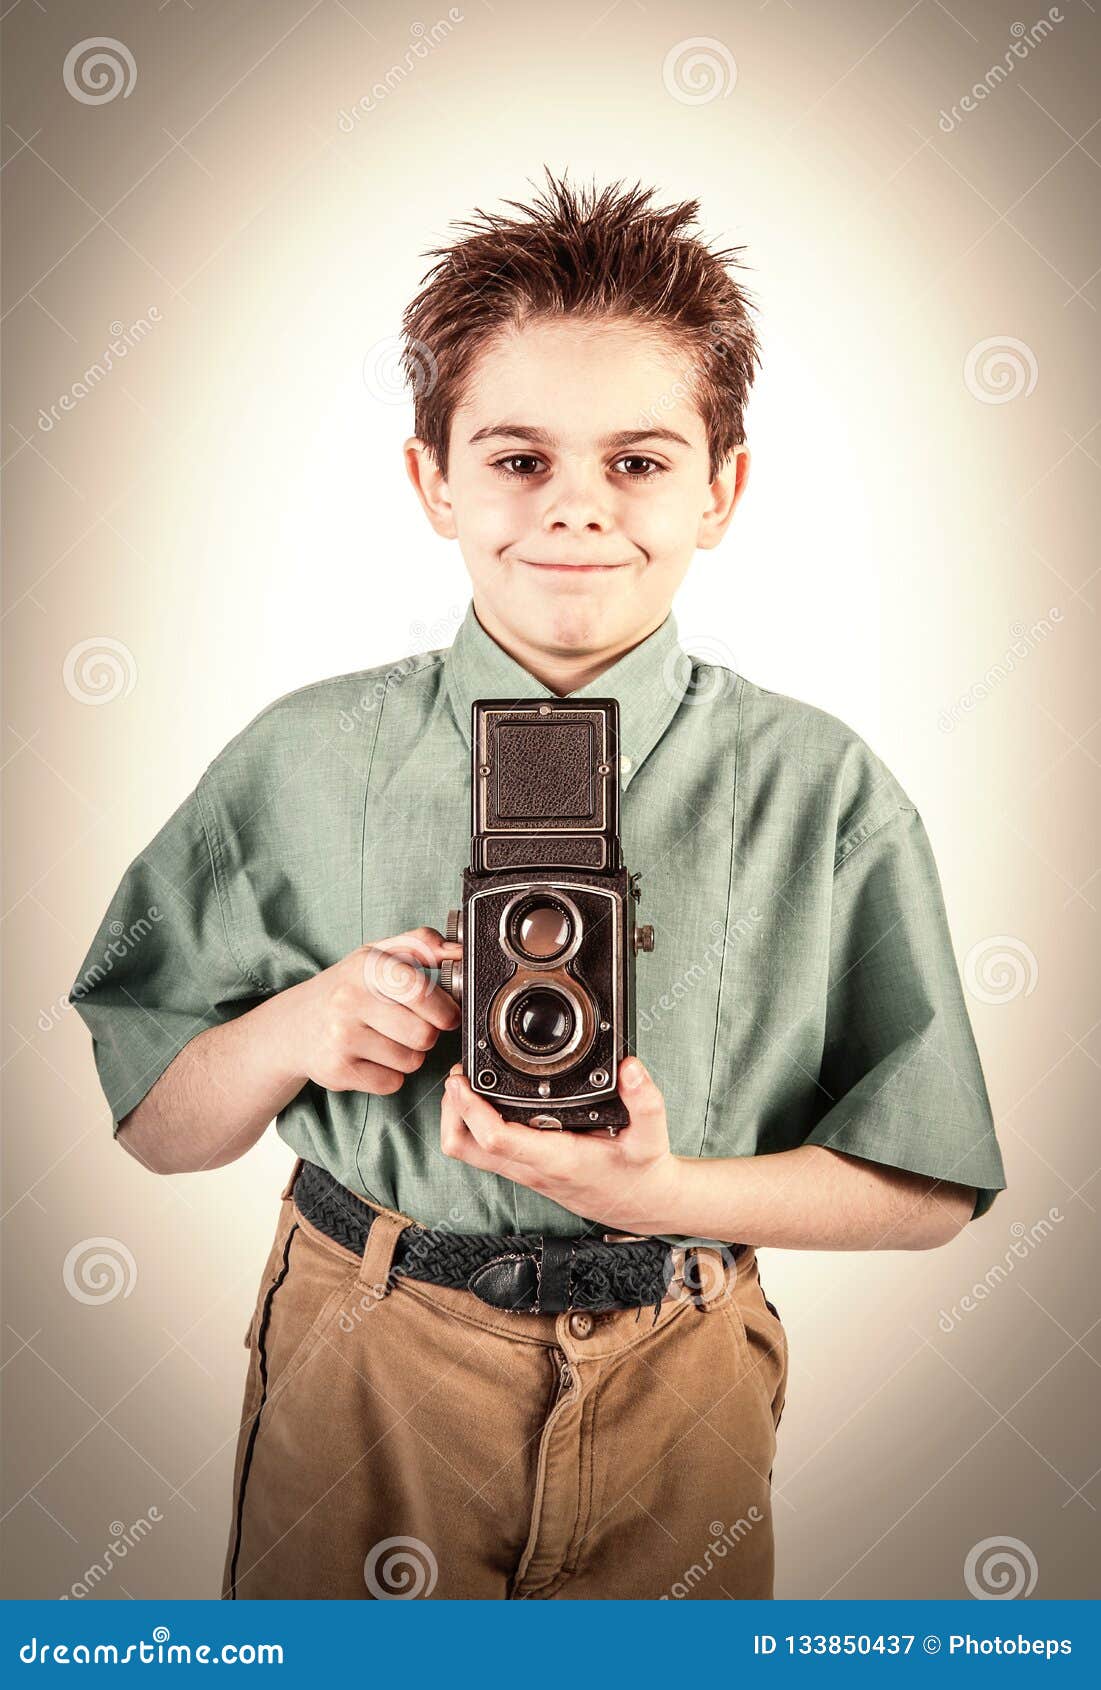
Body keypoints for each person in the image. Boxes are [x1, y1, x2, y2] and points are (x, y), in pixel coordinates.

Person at [68, 172, 1007, 1601]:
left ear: (723, 485)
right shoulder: (303, 754)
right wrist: (294, 1029)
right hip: (371, 1358)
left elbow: (927, 1182)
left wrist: (662, 1189)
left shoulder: (822, 784)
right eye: (517, 461)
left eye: (636, 462)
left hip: (681, 1366)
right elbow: (153, 1121)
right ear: (432, 479)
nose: (576, 510)